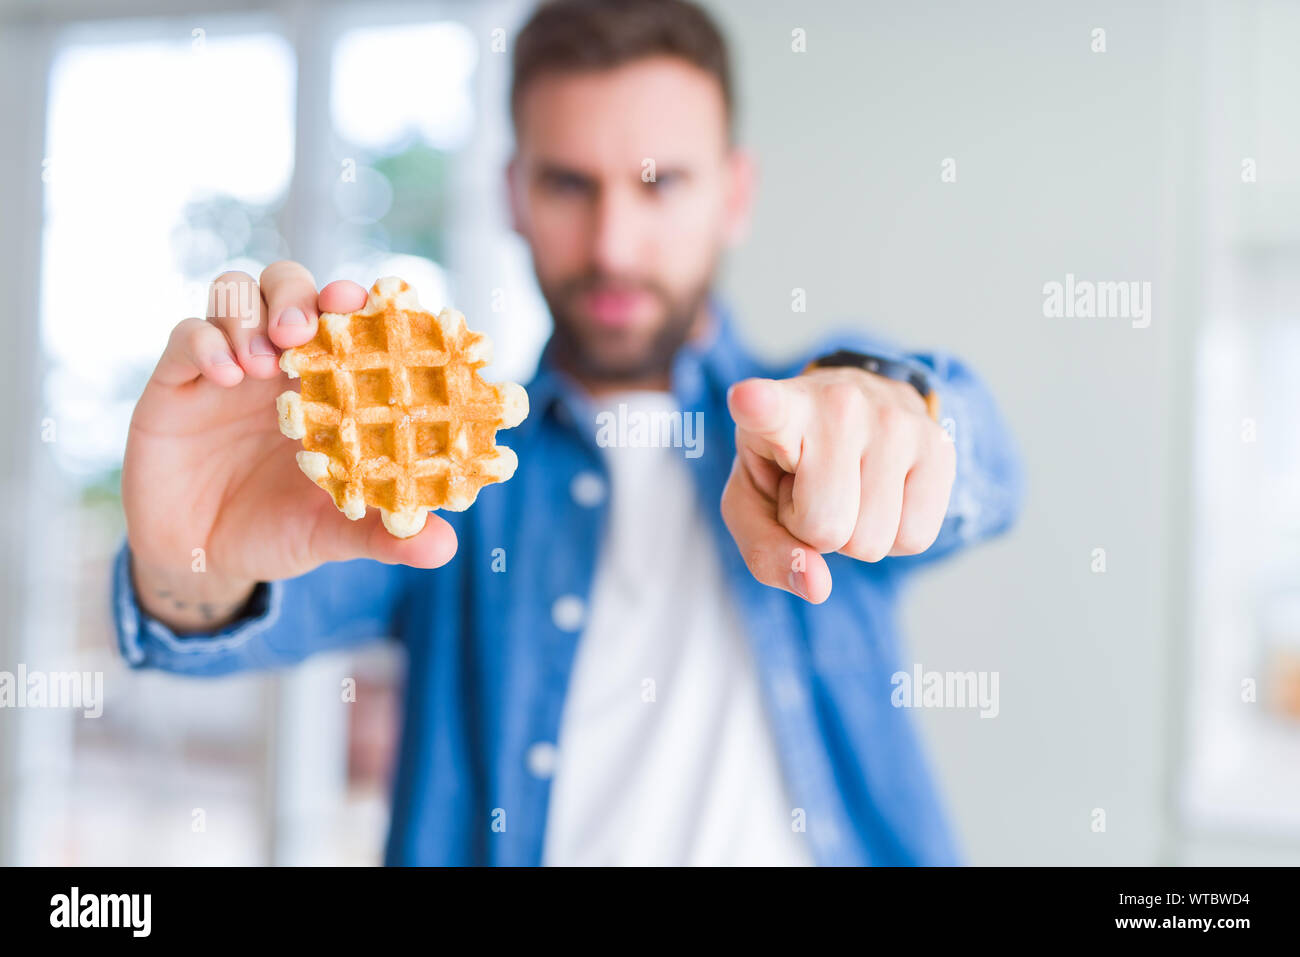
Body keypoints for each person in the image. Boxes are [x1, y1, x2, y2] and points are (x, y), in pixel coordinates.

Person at [115, 0, 1023, 865]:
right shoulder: (430, 483)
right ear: (513, 194)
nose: (613, 244)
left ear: (735, 195)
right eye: (568, 184)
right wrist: (188, 557)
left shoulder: (814, 430)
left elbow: (977, 466)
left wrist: (903, 414)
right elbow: (223, 611)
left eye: (661, 183)